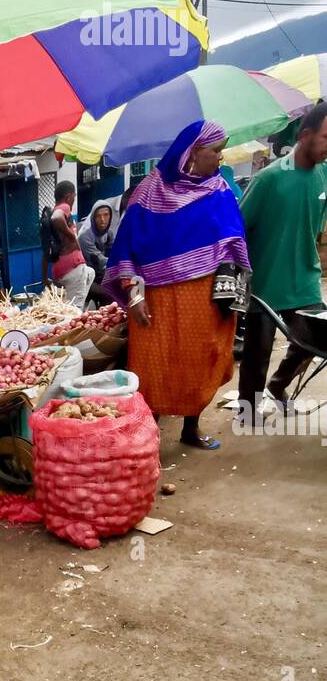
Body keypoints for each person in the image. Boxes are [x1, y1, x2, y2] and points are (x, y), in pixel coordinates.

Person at [103, 120, 251, 450]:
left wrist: (232, 296)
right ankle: (148, 436)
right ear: (192, 153)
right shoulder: (148, 193)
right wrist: (134, 295)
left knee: (199, 362)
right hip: (154, 301)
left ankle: (190, 428)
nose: (220, 159)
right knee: (153, 369)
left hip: (204, 301)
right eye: (216, 151)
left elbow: (236, 246)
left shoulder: (219, 191)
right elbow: (127, 252)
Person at [237, 102, 327, 423]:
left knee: (314, 340)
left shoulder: (324, 175)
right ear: (305, 136)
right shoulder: (269, 180)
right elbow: (238, 229)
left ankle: (278, 385)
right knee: (256, 355)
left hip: (304, 278)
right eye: (326, 137)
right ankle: (247, 413)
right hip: (266, 280)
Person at [43, 182, 94, 308]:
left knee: (90, 273)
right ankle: (75, 309)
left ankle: (74, 302)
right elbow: (57, 218)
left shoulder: (51, 218)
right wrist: (72, 237)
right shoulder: (63, 207)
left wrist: (44, 278)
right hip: (72, 268)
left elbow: (45, 253)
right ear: (68, 196)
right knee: (75, 310)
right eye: (74, 197)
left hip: (61, 269)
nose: (74, 200)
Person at [79, 202, 115, 283]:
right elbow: (99, 261)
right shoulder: (85, 236)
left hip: (103, 272)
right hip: (87, 277)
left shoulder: (109, 233)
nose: (102, 220)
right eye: (98, 216)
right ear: (93, 218)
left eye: (106, 215)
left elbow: (114, 252)